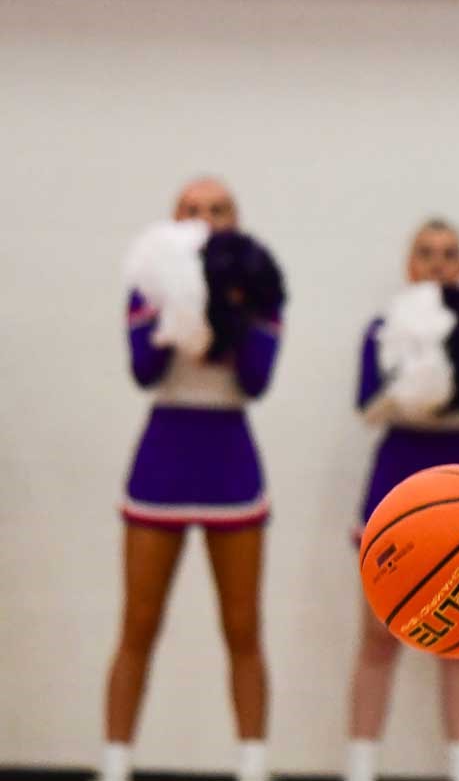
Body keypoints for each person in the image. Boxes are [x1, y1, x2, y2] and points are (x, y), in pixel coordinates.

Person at [104, 177, 284, 781]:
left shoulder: (259, 283)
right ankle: (115, 763)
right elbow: (144, 369)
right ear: (172, 217)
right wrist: (180, 311)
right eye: (191, 209)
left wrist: (227, 312)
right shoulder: (148, 278)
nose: (204, 219)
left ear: (236, 219)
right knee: (138, 623)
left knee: (242, 625)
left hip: (229, 455)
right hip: (163, 456)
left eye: (217, 210)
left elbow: (256, 381)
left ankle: (253, 764)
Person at [345, 219, 459, 781]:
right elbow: (366, 404)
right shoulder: (381, 326)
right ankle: (360, 767)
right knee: (377, 635)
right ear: (408, 265)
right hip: (395, 478)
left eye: (448, 254)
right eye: (426, 254)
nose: (437, 264)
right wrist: (408, 380)